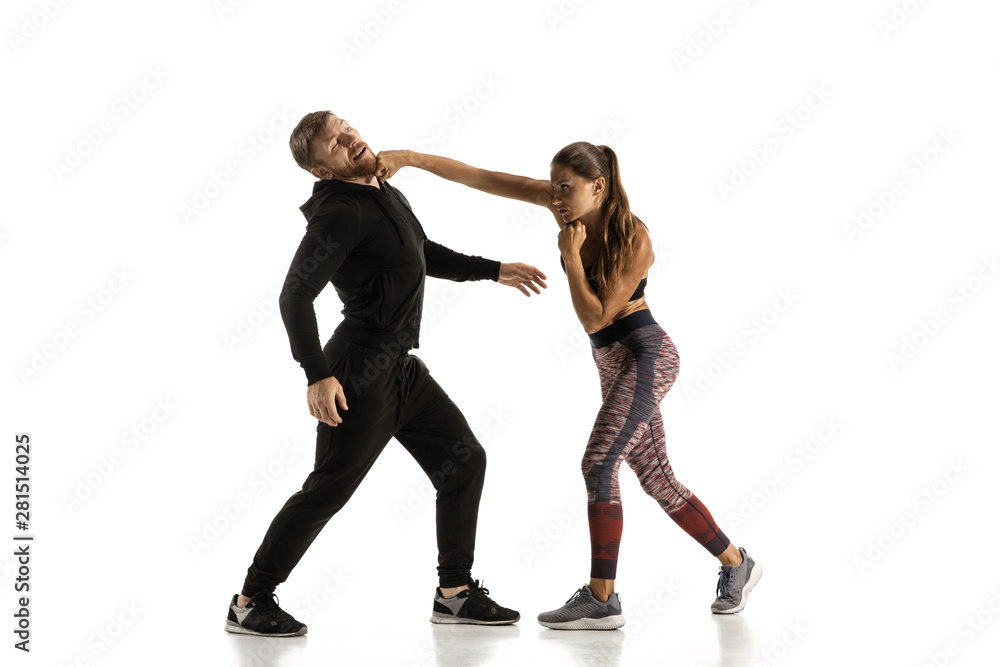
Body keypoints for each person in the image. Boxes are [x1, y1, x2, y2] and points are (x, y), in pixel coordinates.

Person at [375, 143, 762, 630]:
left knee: (599, 464)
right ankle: (736, 563)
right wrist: (411, 159)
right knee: (657, 479)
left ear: (597, 186)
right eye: (553, 186)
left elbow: (595, 316)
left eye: (567, 188)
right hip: (612, 363)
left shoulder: (635, 239)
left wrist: (571, 257)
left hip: (648, 355)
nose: (556, 198)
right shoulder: (564, 209)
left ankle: (603, 599)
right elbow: (480, 176)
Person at [224, 111, 548, 637]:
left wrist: (493, 270)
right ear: (322, 171)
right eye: (334, 142)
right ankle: (249, 600)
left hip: (400, 368)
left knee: (462, 459)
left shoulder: (383, 191)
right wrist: (317, 375)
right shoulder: (340, 213)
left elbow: (419, 254)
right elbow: (294, 296)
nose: (349, 137)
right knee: (329, 489)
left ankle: (455, 593)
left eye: (346, 127)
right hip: (356, 374)